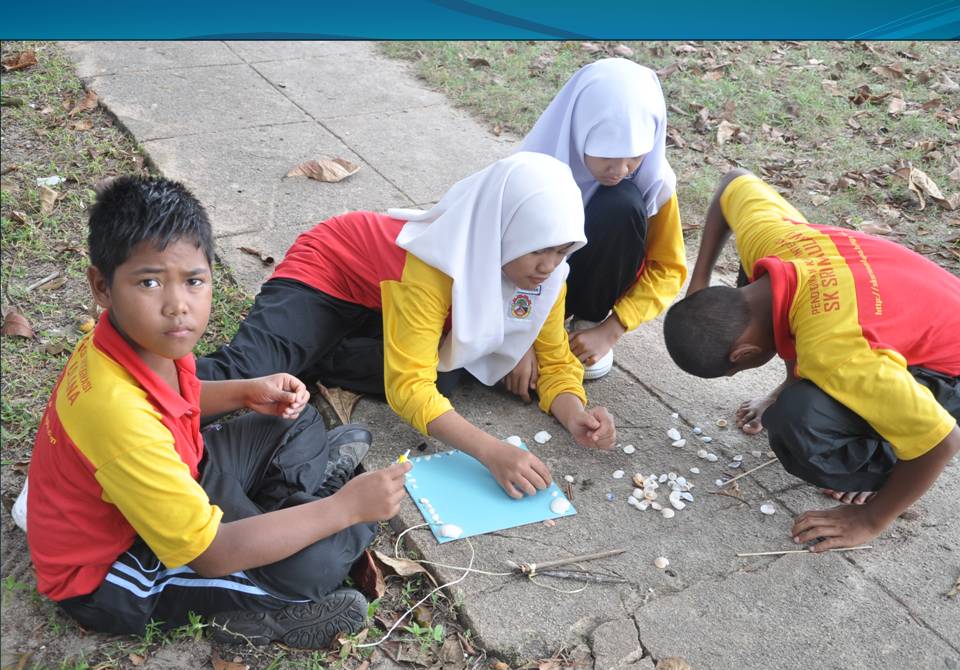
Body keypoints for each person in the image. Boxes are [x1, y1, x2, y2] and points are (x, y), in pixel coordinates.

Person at [26, 176, 410, 649]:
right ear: (102, 286)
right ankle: (261, 605)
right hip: (115, 570)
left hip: (171, 483)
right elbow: (212, 554)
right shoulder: (116, 413)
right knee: (322, 559)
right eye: (149, 282)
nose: (177, 306)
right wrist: (344, 507)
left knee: (295, 417)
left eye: (193, 281)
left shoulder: (136, 339)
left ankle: (289, 516)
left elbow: (174, 399)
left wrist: (247, 392)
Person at [198, 152, 617, 499]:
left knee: (447, 376)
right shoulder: (435, 265)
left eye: (563, 251)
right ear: (502, 232)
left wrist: (575, 414)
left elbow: (555, 361)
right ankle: (143, 395)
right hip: (328, 274)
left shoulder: (548, 278)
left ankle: (311, 352)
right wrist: (492, 452)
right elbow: (409, 388)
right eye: (538, 250)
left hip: (382, 304)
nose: (548, 266)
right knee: (250, 372)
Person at [664, 169, 960, 551]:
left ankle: (877, 468)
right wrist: (698, 281)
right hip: (927, 310)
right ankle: (850, 406)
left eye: (735, 369)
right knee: (763, 286)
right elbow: (731, 182)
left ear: (743, 355)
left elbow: (941, 441)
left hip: (948, 371)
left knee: (796, 420)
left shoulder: (835, 353)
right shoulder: (770, 239)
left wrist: (871, 521)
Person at [509, 57, 686, 388]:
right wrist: (520, 337)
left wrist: (612, 328)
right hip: (526, 289)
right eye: (606, 154)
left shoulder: (654, 184)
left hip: (588, 292)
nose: (619, 169)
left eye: (634, 155)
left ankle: (583, 324)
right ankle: (540, 326)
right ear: (578, 131)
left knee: (624, 202)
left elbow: (668, 268)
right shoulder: (528, 172)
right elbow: (497, 255)